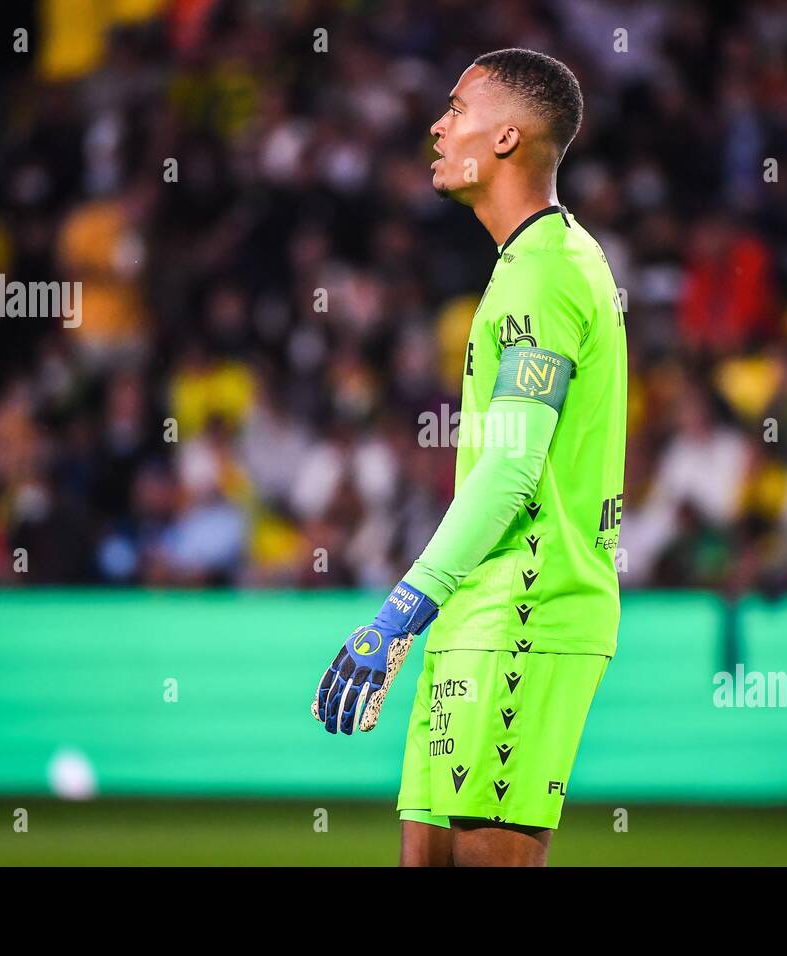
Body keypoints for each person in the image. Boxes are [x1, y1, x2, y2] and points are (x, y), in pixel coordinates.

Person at [312, 48, 627, 867]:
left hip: (528, 606)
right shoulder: (522, 266)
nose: (437, 125)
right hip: (479, 610)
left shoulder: (547, 275)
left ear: (508, 139)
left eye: (457, 109)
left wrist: (400, 609)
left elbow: (513, 466)